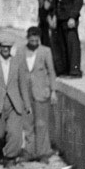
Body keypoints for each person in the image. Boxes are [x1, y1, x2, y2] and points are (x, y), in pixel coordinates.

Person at [0, 35, 32, 167]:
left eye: (8, 47)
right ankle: (0, 150)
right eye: (3, 47)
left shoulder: (18, 62)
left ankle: (10, 159)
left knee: (15, 133)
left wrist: (27, 104)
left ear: (11, 48)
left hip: (14, 104)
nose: (5, 49)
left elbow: (23, 85)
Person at [17, 26, 58, 161]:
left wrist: (53, 91)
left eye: (36, 41)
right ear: (27, 38)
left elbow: (51, 72)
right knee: (27, 123)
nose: (34, 43)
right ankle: (29, 152)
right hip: (25, 94)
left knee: (41, 123)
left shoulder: (46, 51)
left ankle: (42, 153)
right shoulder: (20, 51)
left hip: (41, 92)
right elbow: (17, 72)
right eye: (32, 40)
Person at [52, 0, 84, 78]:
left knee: (72, 45)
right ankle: (65, 71)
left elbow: (78, 1)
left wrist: (72, 17)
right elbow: (56, 1)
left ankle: (75, 71)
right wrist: (55, 16)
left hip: (69, 19)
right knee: (62, 45)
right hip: (60, 18)